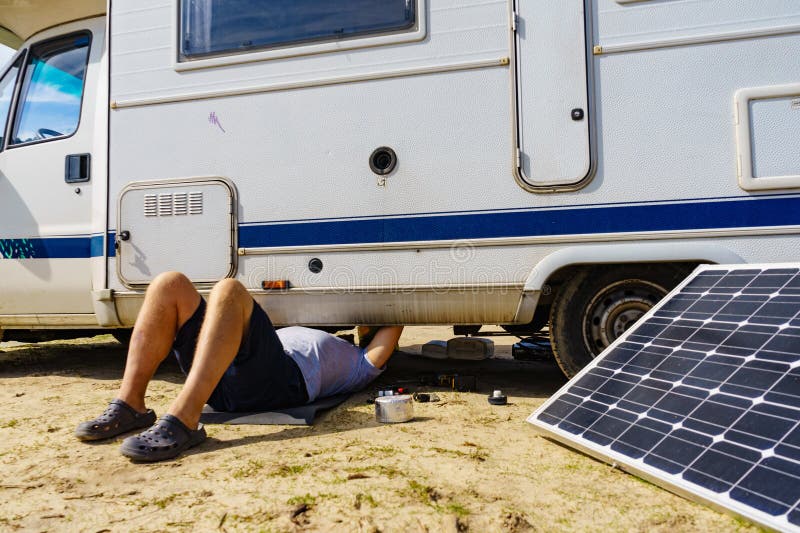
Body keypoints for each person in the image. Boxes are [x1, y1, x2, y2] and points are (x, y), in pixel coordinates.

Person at [75, 272, 403, 462]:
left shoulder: (360, 363)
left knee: (229, 289)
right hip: (229, 375)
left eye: (368, 328)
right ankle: (131, 404)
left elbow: (394, 320)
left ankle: (184, 420)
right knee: (169, 284)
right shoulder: (315, 336)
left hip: (282, 383)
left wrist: (383, 310)